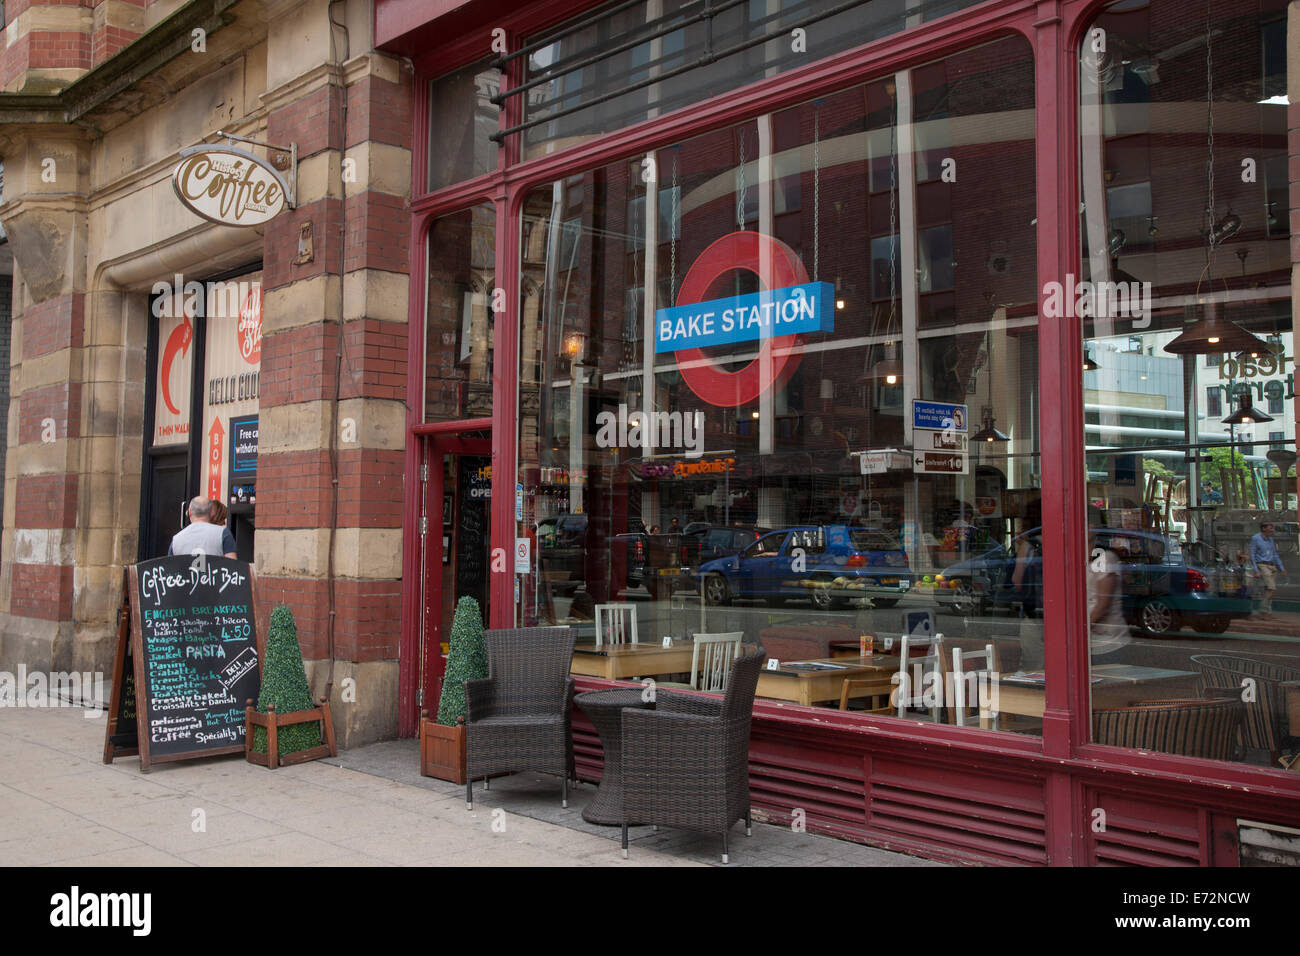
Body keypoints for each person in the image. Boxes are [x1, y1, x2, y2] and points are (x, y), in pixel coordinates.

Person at [1087, 533, 1130, 662]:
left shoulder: (1106, 558)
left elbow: (1102, 605)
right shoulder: (1081, 557)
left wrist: (1080, 629)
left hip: (1107, 640)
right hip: (1091, 639)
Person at [169, 495, 237, 559]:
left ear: (189, 512)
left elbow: (169, 568)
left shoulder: (176, 540)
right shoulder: (223, 533)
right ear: (211, 512)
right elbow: (233, 566)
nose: (224, 522)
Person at [1248, 522, 1286, 619]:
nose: (1272, 530)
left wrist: (1281, 567)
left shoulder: (1270, 540)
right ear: (1264, 528)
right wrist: (1256, 570)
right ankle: (1263, 610)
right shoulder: (1255, 538)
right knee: (1271, 588)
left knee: (1269, 590)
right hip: (1262, 565)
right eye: (1270, 528)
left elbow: (1274, 554)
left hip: (1272, 566)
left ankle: (1267, 612)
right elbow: (1252, 555)